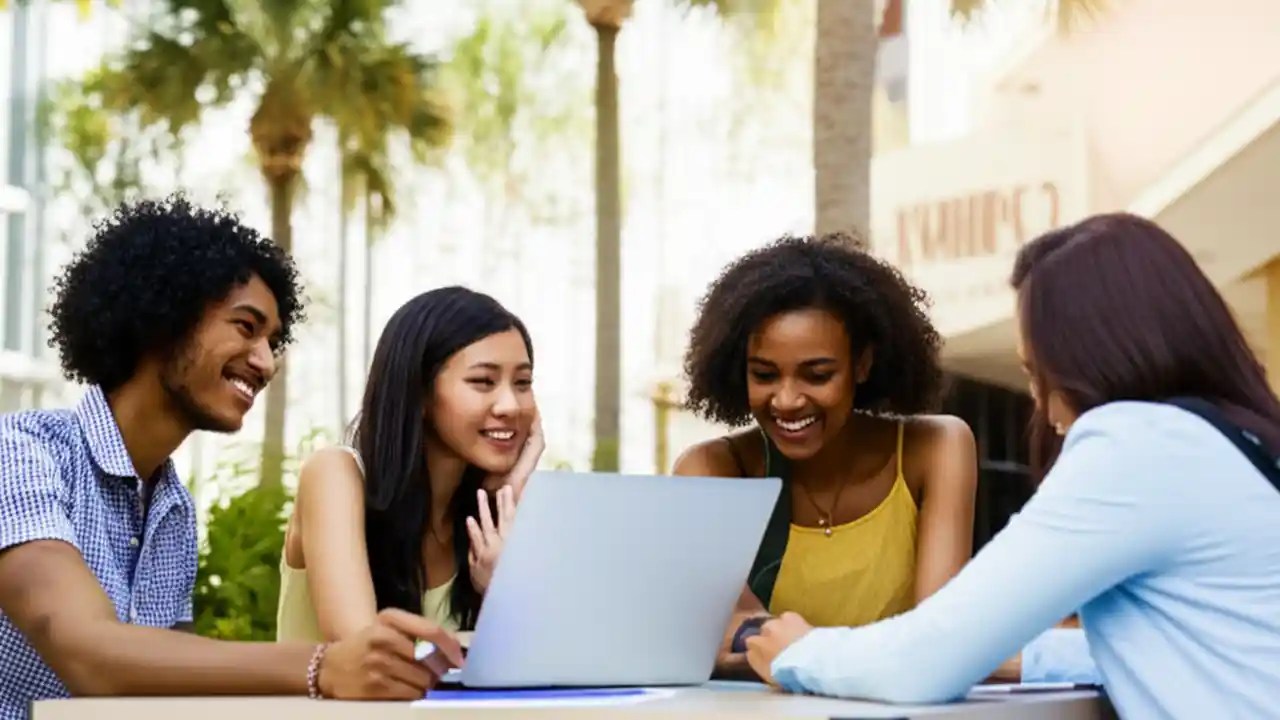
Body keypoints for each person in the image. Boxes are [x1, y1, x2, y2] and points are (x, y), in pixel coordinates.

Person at [745, 214, 1280, 718]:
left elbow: (929, 660)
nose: (1043, 411)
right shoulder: (1236, 444)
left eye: (1036, 373)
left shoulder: (1138, 447)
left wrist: (803, 651)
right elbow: (1192, 644)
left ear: (1090, 360)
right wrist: (1015, 655)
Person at [0, 197, 463, 720]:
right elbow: (88, 655)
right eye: (246, 327)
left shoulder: (172, 509)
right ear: (163, 317)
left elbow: (169, 691)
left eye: (272, 341)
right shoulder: (21, 453)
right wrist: (323, 667)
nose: (266, 363)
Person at [672, 234, 977, 674]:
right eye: (764, 374)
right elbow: (724, 633)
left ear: (863, 364)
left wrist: (790, 647)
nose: (787, 400)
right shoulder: (713, 472)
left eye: (817, 375)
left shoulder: (934, 450)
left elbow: (939, 637)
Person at [276, 286, 543, 642]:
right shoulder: (335, 475)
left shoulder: (498, 524)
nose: (510, 405)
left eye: (523, 383)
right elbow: (364, 653)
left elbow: (553, 672)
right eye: (483, 382)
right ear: (418, 391)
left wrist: (504, 586)